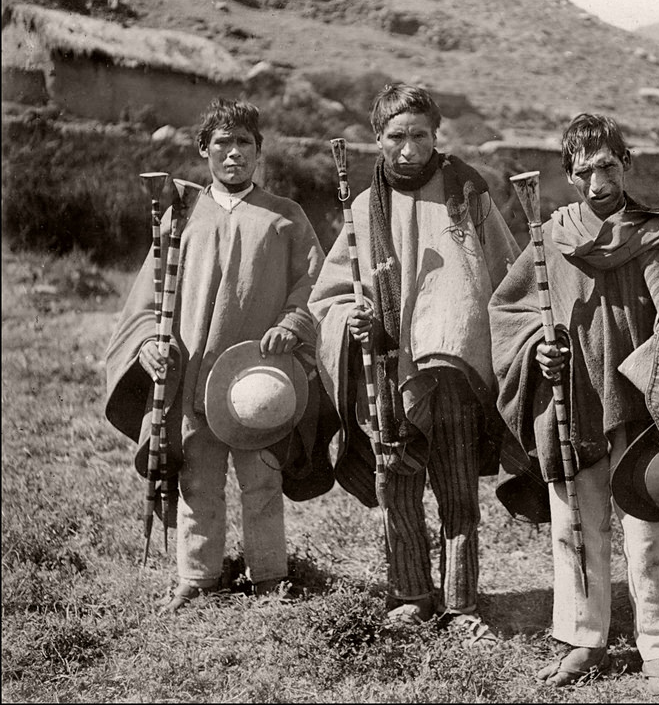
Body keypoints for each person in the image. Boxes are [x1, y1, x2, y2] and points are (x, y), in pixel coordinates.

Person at [489, 113, 659, 693]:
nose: (598, 181)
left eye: (608, 166)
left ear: (626, 164)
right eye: (584, 172)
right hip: (572, 401)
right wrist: (541, 352)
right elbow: (512, 316)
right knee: (575, 525)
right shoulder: (549, 239)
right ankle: (584, 639)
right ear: (569, 176)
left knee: (647, 524)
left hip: (642, 405)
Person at [309, 83, 520, 646]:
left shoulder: (468, 194)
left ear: (436, 135)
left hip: (454, 371)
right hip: (385, 372)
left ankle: (462, 602)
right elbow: (327, 297)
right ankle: (410, 596)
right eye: (396, 137)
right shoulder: (362, 208)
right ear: (377, 139)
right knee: (396, 487)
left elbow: (505, 275)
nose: (408, 149)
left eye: (419, 136)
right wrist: (349, 320)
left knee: (455, 488)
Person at [104, 98, 325, 613]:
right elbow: (148, 300)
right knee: (197, 480)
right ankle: (198, 577)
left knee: (261, 480)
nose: (233, 154)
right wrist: (148, 346)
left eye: (243, 143)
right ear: (204, 149)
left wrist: (293, 325)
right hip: (193, 379)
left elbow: (312, 284)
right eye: (222, 143)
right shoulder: (181, 218)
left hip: (258, 381)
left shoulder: (285, 217)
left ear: (258, 152)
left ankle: (270, 576)